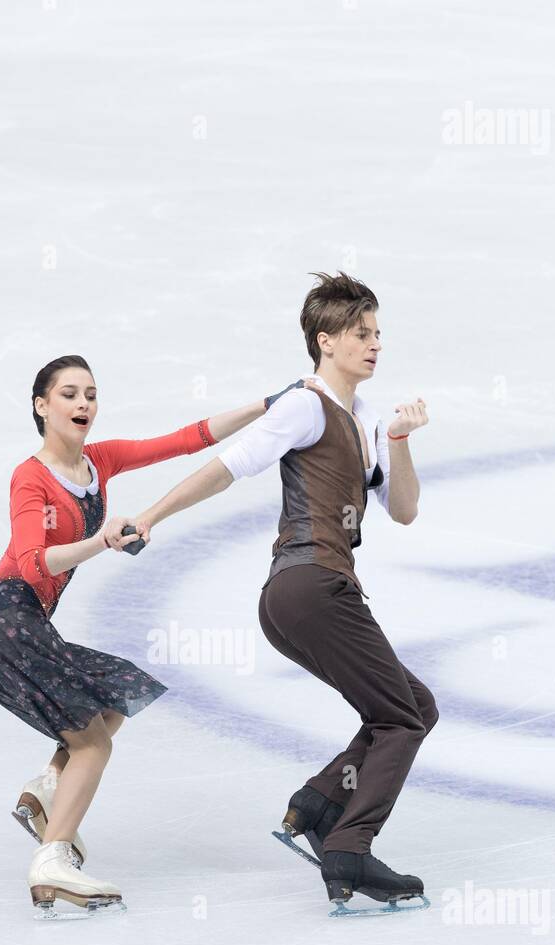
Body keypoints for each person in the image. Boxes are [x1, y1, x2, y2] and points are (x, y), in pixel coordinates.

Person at [135, 274, 438, 912]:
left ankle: (321, 804)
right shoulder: (305, 406)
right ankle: (350, 844)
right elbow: (226, 468)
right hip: (310, 587)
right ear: (325, 342)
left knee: (415, 704)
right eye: (361, 334)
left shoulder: (368, 422)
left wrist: (403, 441)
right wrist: (150, 516)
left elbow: (404, 510)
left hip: (309, 593)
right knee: (400, 717)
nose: (375, 344)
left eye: (378, 333)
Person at [0, 354, 291, 916]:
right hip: (3, 621)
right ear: (42, 406)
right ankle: (52, 858)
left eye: (90, 393)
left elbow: (185, 440)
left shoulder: (100, 462)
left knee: (116, 691)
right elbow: (33, 560)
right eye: (68, 394)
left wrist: (267, 405)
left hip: (24, 623)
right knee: (94, 742)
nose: (83, 403)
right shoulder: (30, 476)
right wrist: (104, 541)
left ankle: (47, 789)